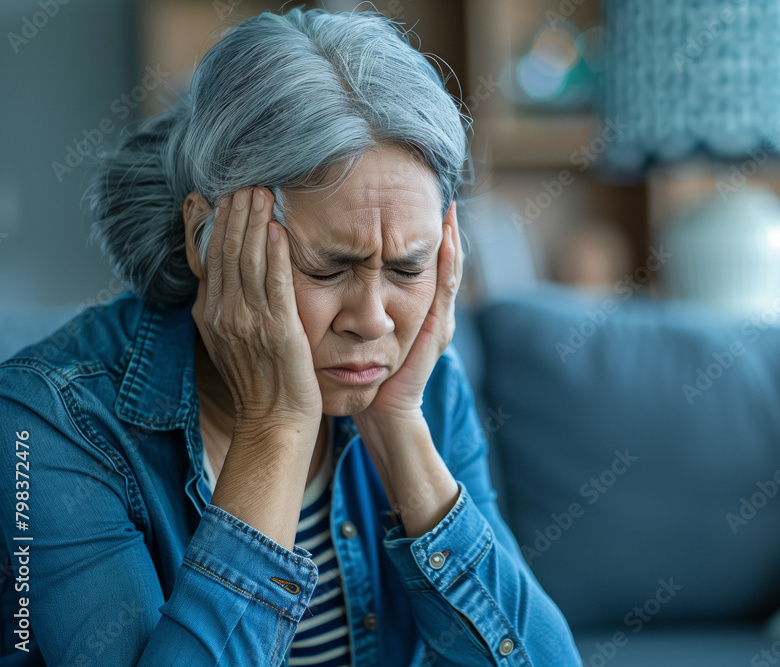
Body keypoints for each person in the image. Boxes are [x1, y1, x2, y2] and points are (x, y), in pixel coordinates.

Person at [0, 8, 582, 666]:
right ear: (206, 238)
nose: (372, 318)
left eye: (408, 266)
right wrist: (275, 426)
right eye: (328, 266)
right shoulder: (49, 425)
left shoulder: (421, 385)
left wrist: (400, 430)